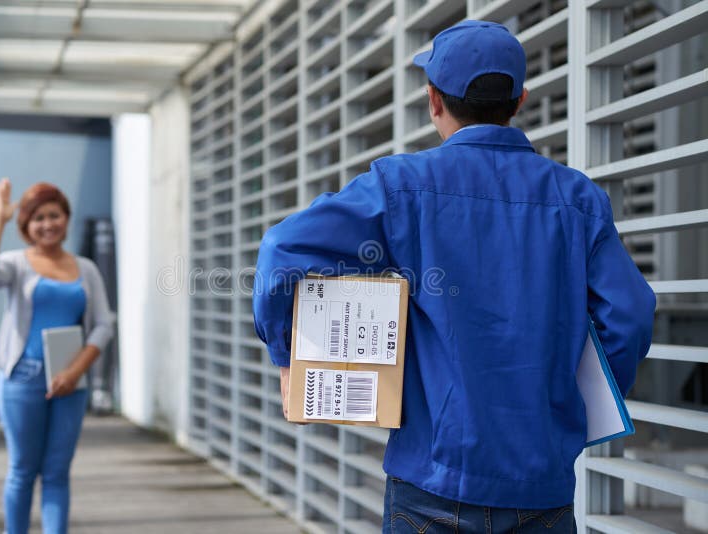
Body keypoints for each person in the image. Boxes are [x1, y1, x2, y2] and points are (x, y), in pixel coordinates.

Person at [252, 20, 656, 534]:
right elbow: (631, 315)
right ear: (521, 100)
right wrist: (575, 406)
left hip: (431, 484)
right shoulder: (578, 200)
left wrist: (289, 354)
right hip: (541, 485)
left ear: (433, 101)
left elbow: (280, 250)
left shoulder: (400, 185)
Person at [0, 178, 114, 534]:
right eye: (38, 218)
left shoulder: (87, 269)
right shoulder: (16, 263)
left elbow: (103, 325)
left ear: (66, 218)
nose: (47, 224)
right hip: (22, 378)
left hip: (70, 382)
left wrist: (75, 371)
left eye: (54, 215)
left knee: (57, 473)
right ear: (26, 226)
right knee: (22, 470)